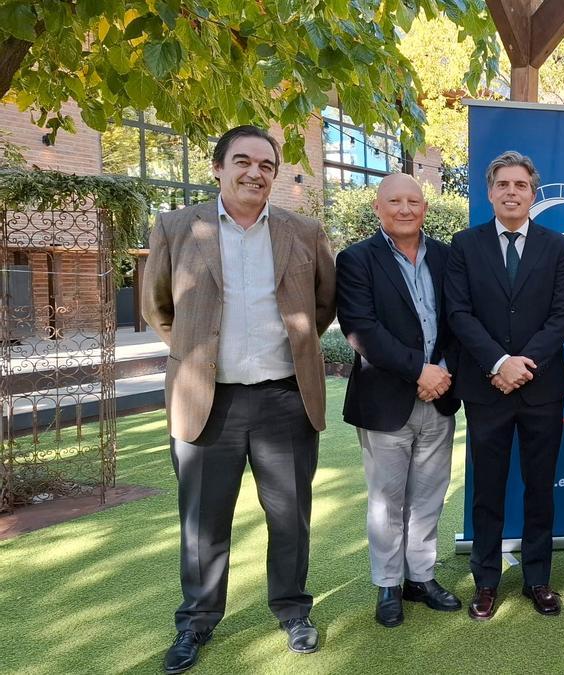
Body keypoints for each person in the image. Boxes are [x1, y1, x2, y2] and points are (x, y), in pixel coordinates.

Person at [142, 125, 336, 673]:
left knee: (290, 516)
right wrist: (197, 355)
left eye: (266, 165)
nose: (255, 173)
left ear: (275, 174)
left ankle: (293, 610)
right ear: (218, 167)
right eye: (243, 162)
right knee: (203, 523)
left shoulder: (304, 231)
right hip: (207, 402)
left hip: (284, 399)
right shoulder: (178, 228)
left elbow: (322, 306)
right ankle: (196, 623)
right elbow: (161, 310)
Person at [444, 150, 564, 620]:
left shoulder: (557, 246)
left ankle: (538, 579)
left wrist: (524, 364)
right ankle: (485, 581)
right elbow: (458, 313)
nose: (512, 192)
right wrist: (499, 363)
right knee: (488, 489)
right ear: (490, 191)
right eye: (504, 184)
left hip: (542, 388)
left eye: (521, 185)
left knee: (540, 488)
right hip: (486, 389)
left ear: (532, 193)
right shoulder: (464, 245)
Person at [336, 173, 462, 628]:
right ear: (378, 207)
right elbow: (361, 328)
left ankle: (421, 578)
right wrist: (418, 371)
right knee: (387, 500)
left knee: (428, 496)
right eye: (395, 201)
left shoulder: (448, 258)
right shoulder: (355, 260)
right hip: (385, 400)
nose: (405, 209)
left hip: (441, 394)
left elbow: (459, 319)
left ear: (425, 208)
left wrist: (441, 370)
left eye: (414, 201)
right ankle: (388, 584)